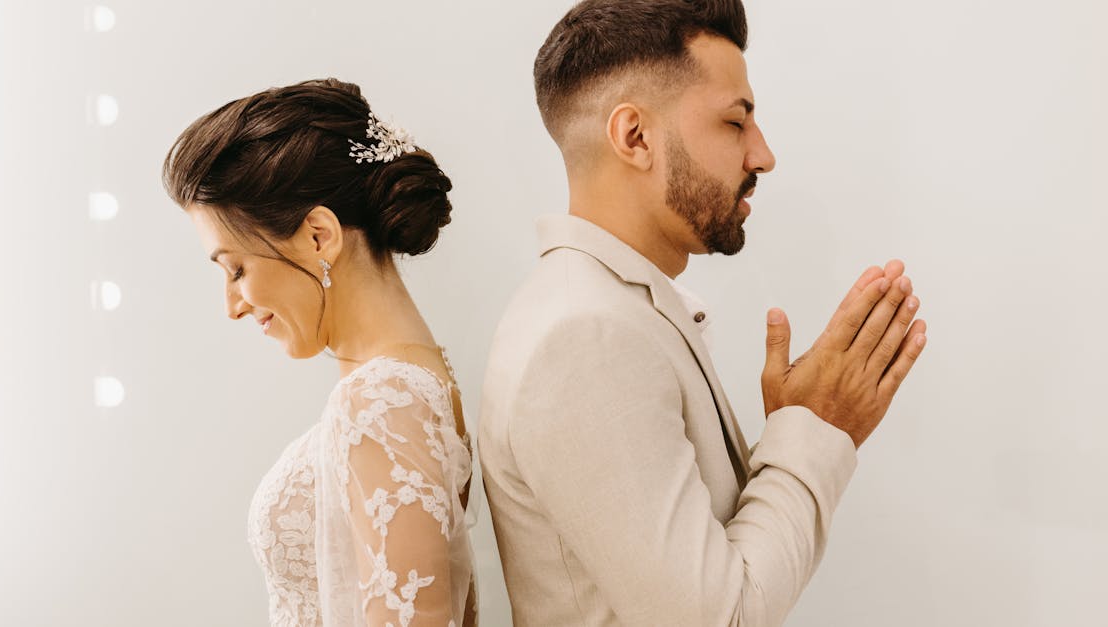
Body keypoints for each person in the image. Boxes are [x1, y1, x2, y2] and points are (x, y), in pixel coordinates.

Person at [477, 1, 929, 625]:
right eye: (734, 122)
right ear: (635, 137)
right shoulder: (584, 335)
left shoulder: (605, 307)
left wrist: (794, 428)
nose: (763, 155)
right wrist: (817, 430)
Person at [162, 79, 477, 627]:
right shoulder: (416, 376)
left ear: (317, 235)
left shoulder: (382, 400)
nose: (232, 306)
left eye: (237, 268)